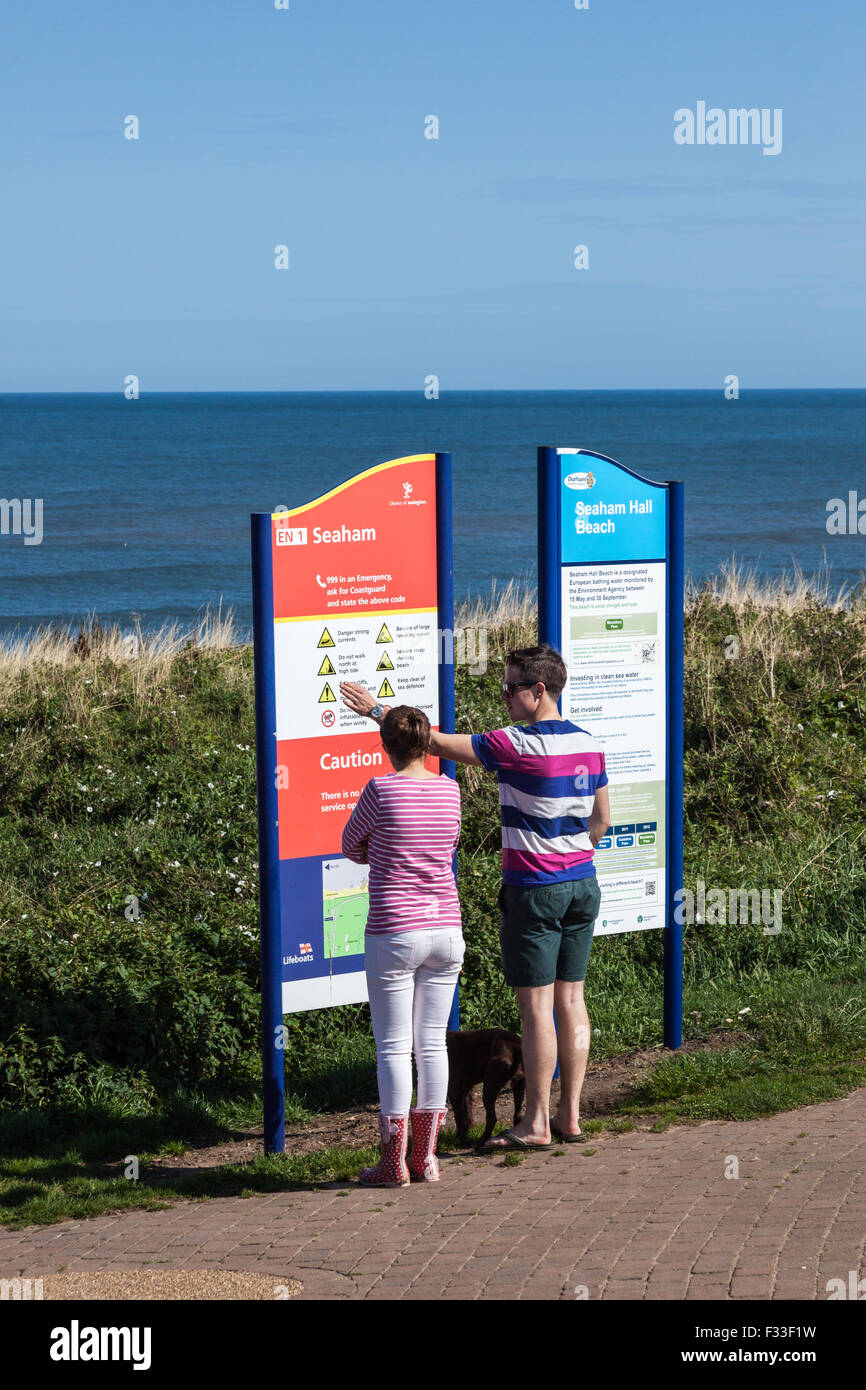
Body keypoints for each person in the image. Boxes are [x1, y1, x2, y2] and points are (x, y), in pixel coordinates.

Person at [341, 642, 610, 1152]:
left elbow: (434, 746)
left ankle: (534, 1123)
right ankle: (570, 1116)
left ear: (538, 690)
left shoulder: (517, 744)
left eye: (511, 688)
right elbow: (601, 821)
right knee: (572, 1001)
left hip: (535, 889)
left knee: (535, 1011)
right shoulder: (588, 742)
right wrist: (570, 852)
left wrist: (376, 709)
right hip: (582, 882)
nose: (504, 697)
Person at [340, 703, 463, 1187]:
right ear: (428, 742)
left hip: (394, 930)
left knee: (393, 1047)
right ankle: (426, 1159)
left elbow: (350, 844)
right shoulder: (450, 790)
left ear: (385, 746)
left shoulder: (380, 790)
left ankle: (392, 1164)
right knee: (432, 1043)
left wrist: (382, 851)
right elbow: (445, 846)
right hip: (446, 929)